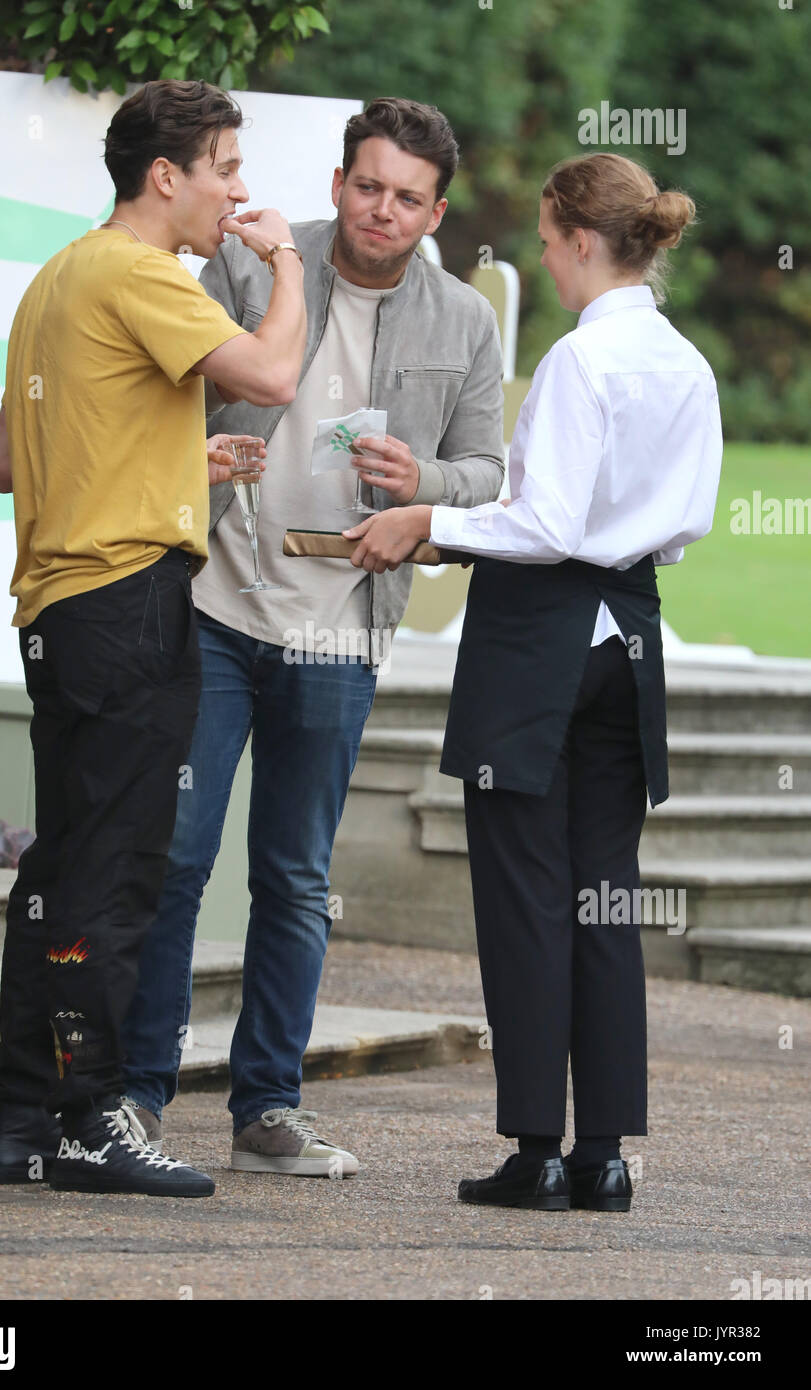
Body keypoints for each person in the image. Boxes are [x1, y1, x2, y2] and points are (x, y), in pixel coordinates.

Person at [120, 97, 505, 1176]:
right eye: (367, 185)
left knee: (294, 875)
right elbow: (158, 392)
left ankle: (267, 1108)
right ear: (339, 184)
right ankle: (139, 1095)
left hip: (344, 628)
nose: (382, 209)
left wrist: (419, 490)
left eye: (408, 197)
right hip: (215, 606)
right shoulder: (253, 267)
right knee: (179, 857)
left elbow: (487, 473)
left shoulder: (463, 323)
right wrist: (203, 455)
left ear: (436, 213)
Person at [345, 152, 722, 1210]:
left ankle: (533, 1153)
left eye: (549, 243)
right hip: (630, 638)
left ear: (577, 238)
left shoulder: (576, 361)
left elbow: (545, 525)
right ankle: (601, 1154)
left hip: (540, 642)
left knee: (522, 897)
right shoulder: (687, 364)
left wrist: (428, 520)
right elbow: (681, 527)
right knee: (602, 896)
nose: (547, 262)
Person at [0, 79, 308, 1197]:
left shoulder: (57, 277)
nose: (237, 189)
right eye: (222, 165)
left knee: (61, 868)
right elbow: (270, 374)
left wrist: (174, 459)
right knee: (115, 879)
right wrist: (289, 271)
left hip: (58, 612)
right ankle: (89, 1118)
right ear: (163, 177)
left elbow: (14, 463)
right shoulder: (139, 271)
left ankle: (21, 1118)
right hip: (126, 609)